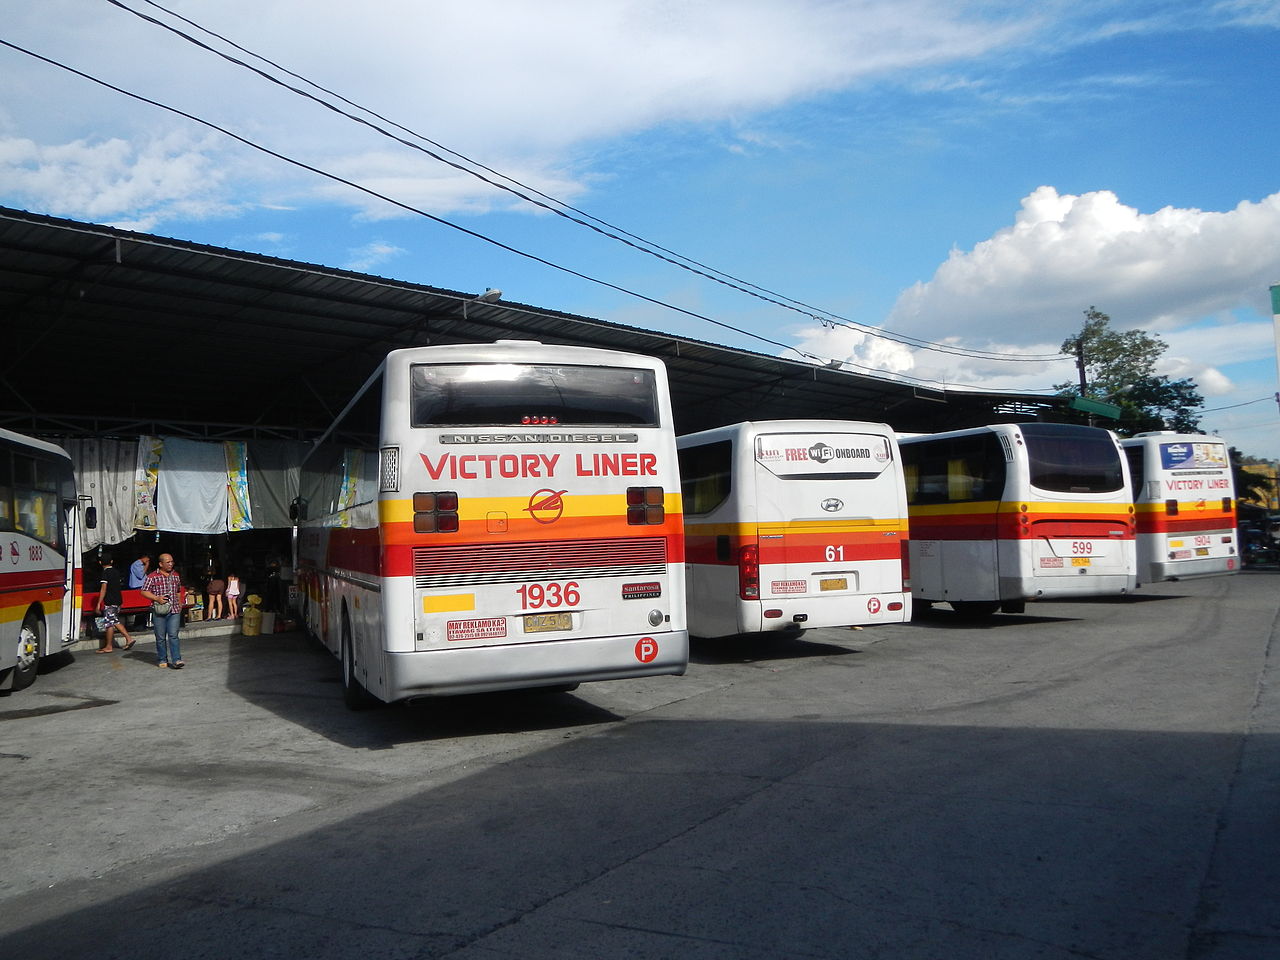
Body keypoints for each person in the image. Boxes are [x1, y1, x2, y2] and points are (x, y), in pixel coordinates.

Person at [140, 553, 185, 669]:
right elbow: (144, 591)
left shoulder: (175, 575)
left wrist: (180, 603)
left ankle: (177, 659)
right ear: (161, 564)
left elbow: (179, 590)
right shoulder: (152, 576)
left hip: (174, 610)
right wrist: (156, 598)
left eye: (172, 562)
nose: (170, 564)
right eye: (168, 562)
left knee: (173, 635)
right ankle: (162, 658)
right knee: (160, 637)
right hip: (159, 611)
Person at [94, 552, 134, 654]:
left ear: (100, 562)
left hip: (110, 601)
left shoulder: (105, 573)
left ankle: (125, 639)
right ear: (111, 561)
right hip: (118, 600)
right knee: (111, 622)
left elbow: (104, 588)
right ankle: (111, 644)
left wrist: (99, 603)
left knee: (111, 622)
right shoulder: (116, 572)